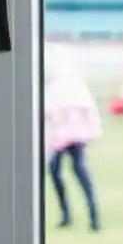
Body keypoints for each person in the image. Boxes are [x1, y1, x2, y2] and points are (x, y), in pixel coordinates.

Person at [45, 41, 103, 232]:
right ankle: (78, 215)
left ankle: (87, 216)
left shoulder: (63, 82)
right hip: (67, 133)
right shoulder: (66, 82)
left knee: (70, 169)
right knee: (66, 170)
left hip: (67, 134)